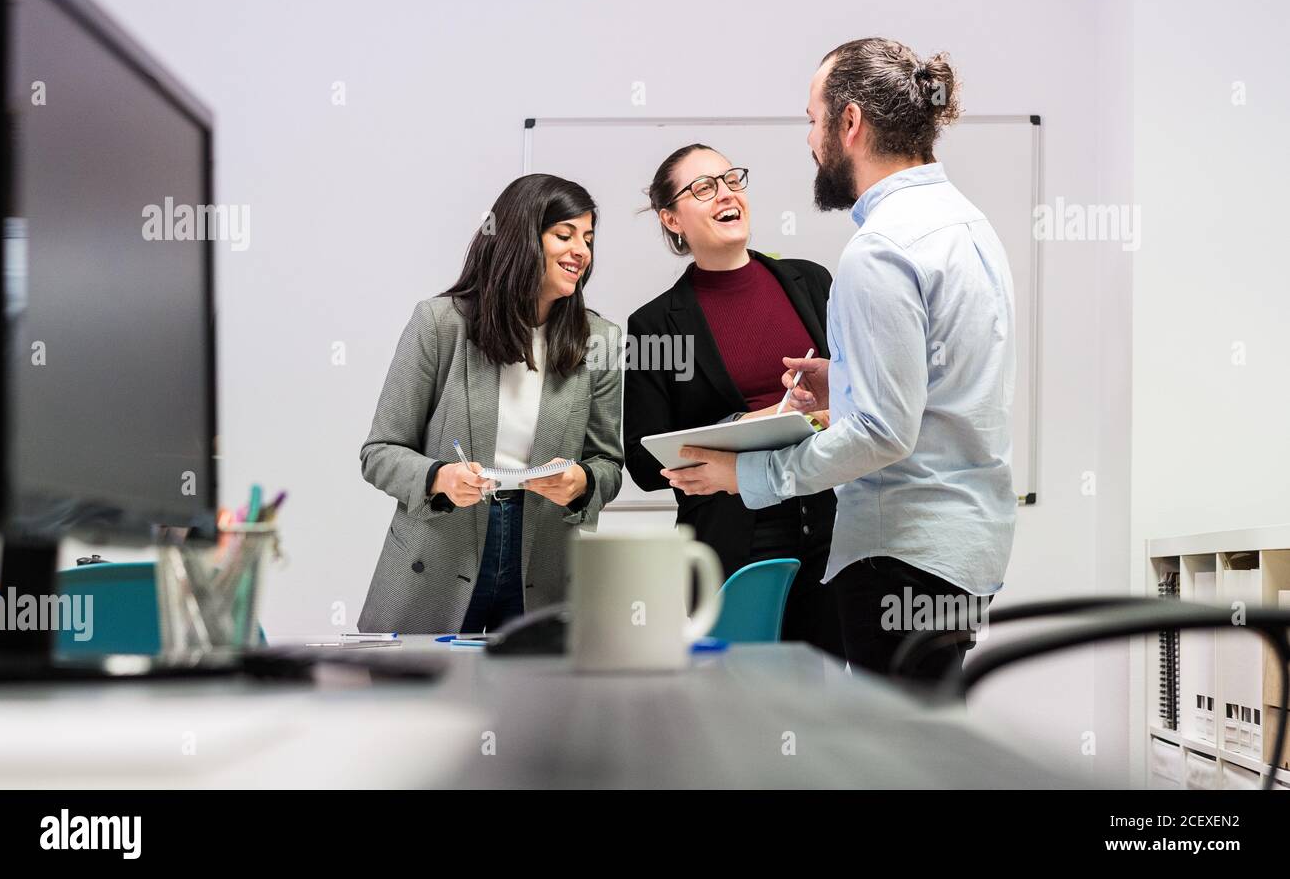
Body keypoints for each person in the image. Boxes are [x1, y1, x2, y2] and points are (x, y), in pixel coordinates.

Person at [664, 38, 1016, 681]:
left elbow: (882, 433)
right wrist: (846, 381)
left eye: (811, 118)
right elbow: (947, 383)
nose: (809, 139)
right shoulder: (966, 224)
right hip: (964, 546)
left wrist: (745, 477)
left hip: (901, 551)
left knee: (902, 758)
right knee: (926, 743)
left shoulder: (879, 250)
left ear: (848, 123)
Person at [358, 173, 623, 634]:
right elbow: (379, 452)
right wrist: (440, 477)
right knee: (426, 703)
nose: (581, 250)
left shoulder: (599, 339)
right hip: (438, 552)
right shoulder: (440, 323)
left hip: (541, 557)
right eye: (564, 235)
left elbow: (608, 465)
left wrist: (581, 481)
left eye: (588, 238)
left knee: (534, 702)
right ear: (522, 236)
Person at [624, 144, 844, 659]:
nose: (726, 193)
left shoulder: (812, 282)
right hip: (732, 542)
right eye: (704, 187)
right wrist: (760, 419)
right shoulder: (656, 325)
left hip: (830, 527)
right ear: (672, 218)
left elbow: (857, 400)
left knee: (827, 703)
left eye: (731, 180)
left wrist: (825, 411)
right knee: (737, 709)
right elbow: (642, 459)